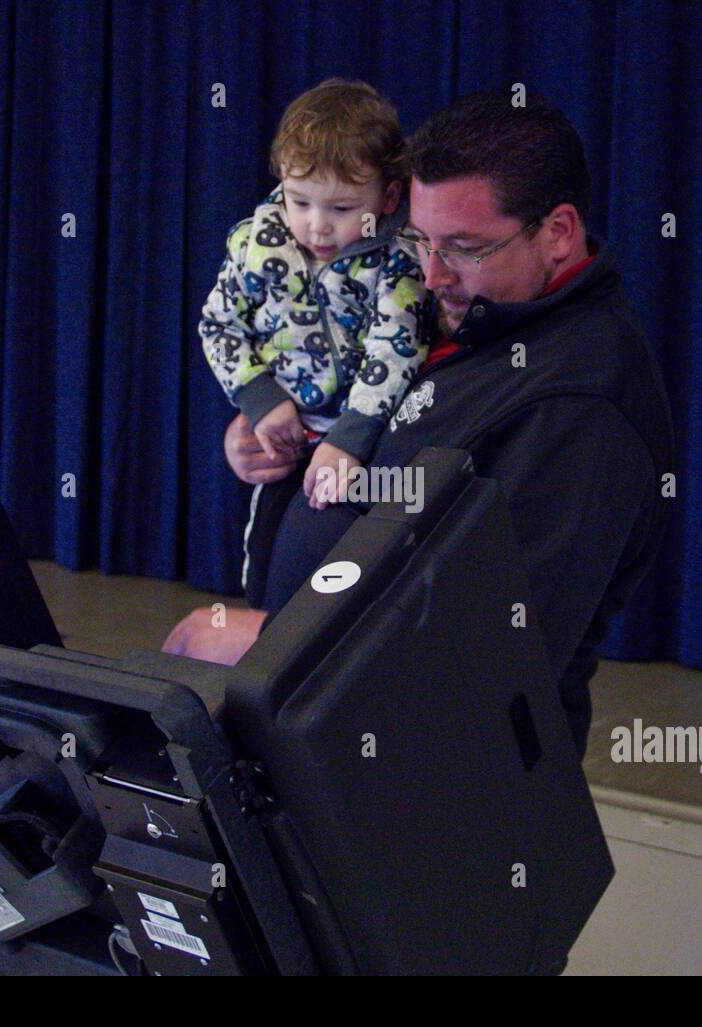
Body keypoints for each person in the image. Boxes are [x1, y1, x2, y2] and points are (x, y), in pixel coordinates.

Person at [168, 92, 674, 756]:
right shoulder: (478, 312)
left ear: (557, 231)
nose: (431, 275)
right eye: (423, 241)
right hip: (318, 729)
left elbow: (499, 649)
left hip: (437, 793)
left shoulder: (581, 405)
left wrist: (272, 644)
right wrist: (262, 433)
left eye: (463, 248)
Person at [198, 78, 430, 604]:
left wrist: (350, 439)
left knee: (338, 591)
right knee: (264, 583)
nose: (316, 226)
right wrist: (260, 402)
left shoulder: (400, 257)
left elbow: (395, 348)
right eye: (299, 200)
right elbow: (219, 326)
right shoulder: (260, 242)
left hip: (367, 449)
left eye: (343, 209)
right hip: (286, 439)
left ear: (389, 194)